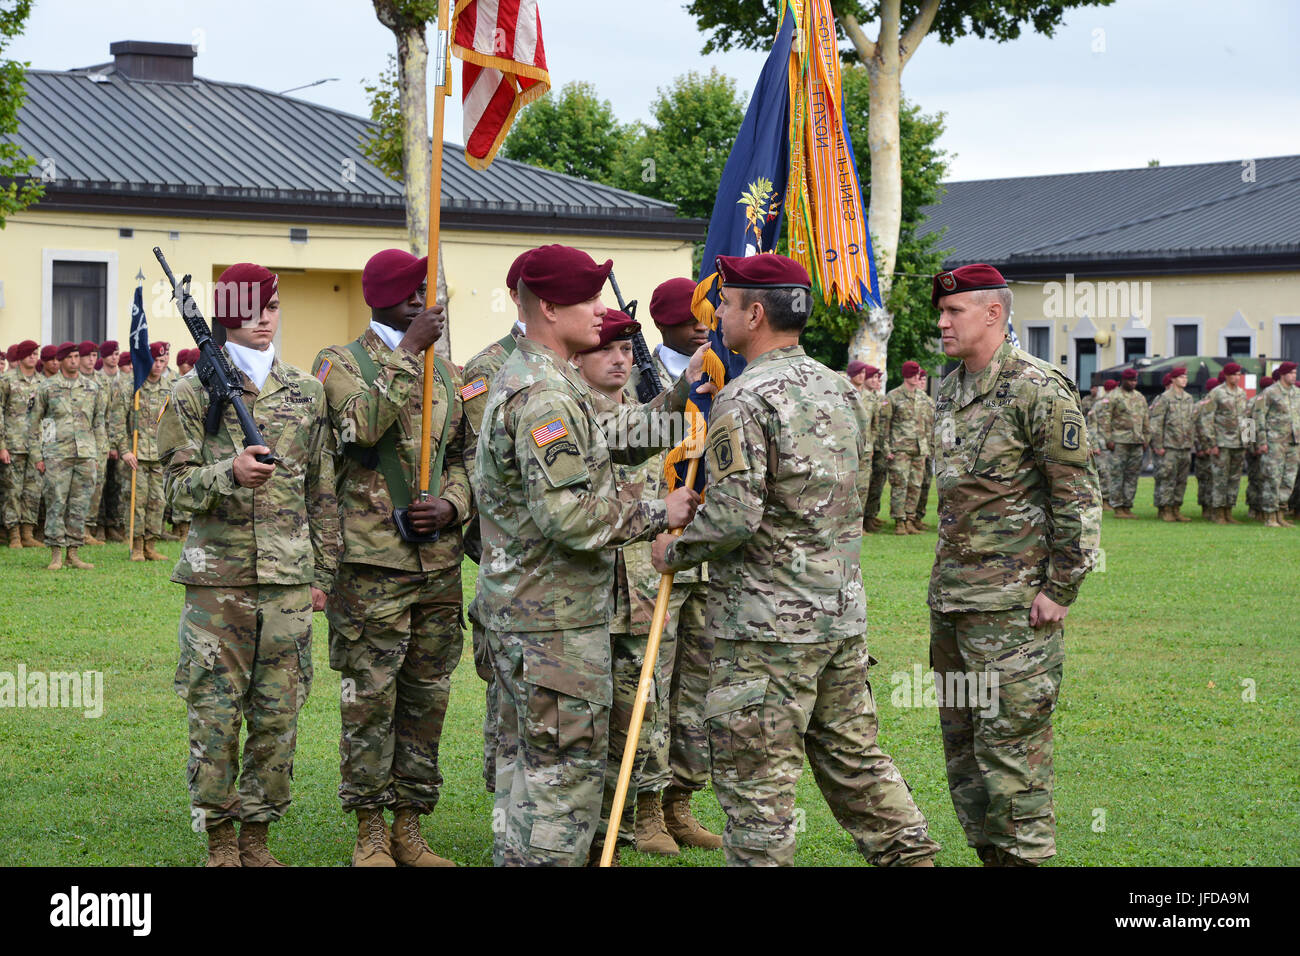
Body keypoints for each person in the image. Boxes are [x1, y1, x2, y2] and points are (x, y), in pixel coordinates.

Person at [650, 253, 939, 867]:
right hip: (838, 615)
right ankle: (913, 859)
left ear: (754, 313)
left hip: (765, 628)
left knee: (757, 784)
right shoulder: (840, 388)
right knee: (854, 758)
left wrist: (673, 548)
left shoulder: (746, 399)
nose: (717, 316)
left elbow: (734, 517)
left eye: (725, 305)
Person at [473, 243, 704, 867]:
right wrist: (662, 511)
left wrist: (685, 395)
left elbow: (610, 440)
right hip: (554, 627)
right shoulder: (545, 395)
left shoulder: (540, 378)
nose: (603, 313)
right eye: (591, 300)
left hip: (529, 619)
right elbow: (571, 516)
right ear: (550, 307)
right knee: (561, 797)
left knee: (525, 789)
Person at [158, 262, 338, 867]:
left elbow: (323, 492)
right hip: (218, 584)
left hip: (288, 584)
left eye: (274, 305)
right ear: (227, 314)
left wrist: (324, 577)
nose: (266, 318)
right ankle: (221, 843)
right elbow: (174, 491)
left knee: (277, 716)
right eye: (253, 308)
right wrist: (226, 473)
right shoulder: (190, 393)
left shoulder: (305, 391)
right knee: (214, 714)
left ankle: (259, 840)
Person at [928, 263, 1101, 867]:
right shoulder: (946, 389)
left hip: (1014, 611)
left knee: (1012, 752)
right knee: (964, 750)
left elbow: (1076, 496)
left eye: (954, 312)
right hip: (954, 604)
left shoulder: (1039, 388)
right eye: (942, 312)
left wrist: (1061, 588)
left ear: (994, 315)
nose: (942, 321)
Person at [313, 248, 469, 868]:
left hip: (437, 563)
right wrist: (407, 352)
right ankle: (369, 830)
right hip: (373, 567)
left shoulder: (449, 373)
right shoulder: (339, 363)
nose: (421, 300)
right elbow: (360, 429)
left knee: (427, 699)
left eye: (425, 291)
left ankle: (410, 824)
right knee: (370, 699)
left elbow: (465, 457)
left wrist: (454, 507)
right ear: (380, 295)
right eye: (410, 291)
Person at [572, 309, 680, 862]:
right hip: (580, 601)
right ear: (577, 354)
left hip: (637, 594)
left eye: (626, 350)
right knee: (576, 727)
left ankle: (625, 824)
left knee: (639, 718)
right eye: (605, 349)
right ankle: (581, 836)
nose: (618, 360)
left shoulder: (641, 415)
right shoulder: (563, 414)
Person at [635, 276, 725, 851]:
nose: (701, 324)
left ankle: (680, 801)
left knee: (697, 684)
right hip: (653, 555)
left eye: (707, 316)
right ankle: (644, 808)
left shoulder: (721, 374)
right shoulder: (636, 374)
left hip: (705, 550)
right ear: (664, 322)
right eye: (689, 318)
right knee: (651, 683)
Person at [460, 248, 532, 798]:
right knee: (510, 680)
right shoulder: (489, 367)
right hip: (513, 550)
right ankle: (508, 803)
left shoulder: (574, 361)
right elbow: (476, 464)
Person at [30, 342, 105, 570]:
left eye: (76, 356)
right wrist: (38, 455)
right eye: (70, 357)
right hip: (57, 455)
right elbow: (37, 423)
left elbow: (99, 423)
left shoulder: (92, 387)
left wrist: (98, 453)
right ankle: (55, 553)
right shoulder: (48, 387)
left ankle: (73, 552)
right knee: (56, 502)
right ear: (61, 360)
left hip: (85, 454)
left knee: (80, 505)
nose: (74, 360)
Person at [120, 342, 172, 561]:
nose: (158, 365)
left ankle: (151, 544)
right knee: (137, 502)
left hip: (160, 455)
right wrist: (124, 450)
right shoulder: (133, 387)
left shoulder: (170, 388)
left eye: (162, 361)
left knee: (158, 501)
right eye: (154, 361)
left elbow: (175, 422)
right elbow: (118, 422)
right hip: (137, 455)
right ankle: (137, 546)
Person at [0, 340, 44, 548]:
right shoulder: (7, 380)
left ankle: (28, 532)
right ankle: (14, 534)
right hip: (13, 444)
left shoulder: (43, 383)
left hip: (36, 447)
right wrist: (2, 444)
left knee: (33, 491)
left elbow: (49, 416)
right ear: (21, 357)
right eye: (29, 354)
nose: (33, 357)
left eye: (35, 354)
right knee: (12, 491)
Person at [883, 360, 929, 534]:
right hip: (899, 448)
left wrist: (926, 448)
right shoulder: (893, 397)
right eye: (915, 374)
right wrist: (886, 449)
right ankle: (899, 521)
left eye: (919, 374)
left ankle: (910, 519)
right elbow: (884, 425)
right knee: (899, 485)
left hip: (919, 448)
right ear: (907, 375)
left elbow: (926, 424)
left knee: (915, 485)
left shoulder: (923, 397)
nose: (918, 377)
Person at [1253, 361, 1300, 528]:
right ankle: (1269, 516)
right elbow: (1258, 417)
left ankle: (1281, 514)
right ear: (1282, 374)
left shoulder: (1297, 393)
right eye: (1291, 373)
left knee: (1288, 480)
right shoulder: (1269, 393)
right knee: (1272, 478)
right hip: (1274, 442)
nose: (1294, 375)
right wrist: (1261, 442)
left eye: (1295, 372)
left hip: (1294, 443)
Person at [1098, 367, 1148, 517]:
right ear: (1123, 381)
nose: (1133, 383)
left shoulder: (1140, 397)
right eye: (1130, 380)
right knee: (1117, 474)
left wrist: (1146, 438)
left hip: (1137, 441)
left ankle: (1127, 505)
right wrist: (1108, 439)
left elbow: (1145, 419)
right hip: (1119, 441)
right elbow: (1105, 419)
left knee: (1132, 475)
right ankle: (1118, 507)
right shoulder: (1113, 396)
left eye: (1135, 380)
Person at [1149, 365, 1195, 521]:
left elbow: (1191, 422)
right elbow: (1156, 423)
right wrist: (1158, 445)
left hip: (1185, 446)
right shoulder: (1165, 398)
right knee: (1167, 478)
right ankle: (1166, 509)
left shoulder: (1189, 398)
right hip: (1169, 446)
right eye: (1181, 377)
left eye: (1186, 377)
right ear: (1173, 379)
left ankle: (1176, 508)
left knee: (1181, 480)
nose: (1184, 380)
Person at [1207, 362, 1249, 523]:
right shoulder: (1216, 393)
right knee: (1220, 478)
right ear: (1226, 376)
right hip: (1222, 442)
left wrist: (1248, 441)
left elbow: (1247, 417)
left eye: (1239, 374)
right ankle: (1218, 512)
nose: (1237, 377)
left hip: (1238, 443)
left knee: (1235, 478)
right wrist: (1212, 443)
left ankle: (1229, 511)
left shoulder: (1242, 393)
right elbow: (1207, 419)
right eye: (1233, 374)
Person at [861, 365, 889, 531]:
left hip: (878, 445)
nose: (876, 381)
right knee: (865, 484)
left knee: (877, 483)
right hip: (867, 447)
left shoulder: (878, 398)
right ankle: (864, 519)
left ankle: (870, 515)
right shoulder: (861, 397)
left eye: (878, 378)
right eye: (872, 377)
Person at [1244, 376, 1271, 520]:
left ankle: (1260, 509)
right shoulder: (1254, 402)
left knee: (1260, 479)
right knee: (1256, 479)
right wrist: (1251, 447)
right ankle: (1255, 509)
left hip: (1266, 446)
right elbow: (1247, 424)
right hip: (1257, 448)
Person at [1194, 378, 1220, 519]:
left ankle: (1217, 509)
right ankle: (1206, 508)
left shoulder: (1220, 405)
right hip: (1204, 450)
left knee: (1218, 480)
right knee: (1205, 480)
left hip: (1219, 447)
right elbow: (1195, 428)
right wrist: (1200, 447)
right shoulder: (1199, 406)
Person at [914, 367, 936, 530]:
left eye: (924, 380)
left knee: (926, 482)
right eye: (919, 380)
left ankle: (918, 516)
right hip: (916, 447)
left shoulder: (929, 402)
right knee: (914, 483)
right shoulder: (914, 401)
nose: (922, 383)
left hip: (929, 447)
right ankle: (910, 516)